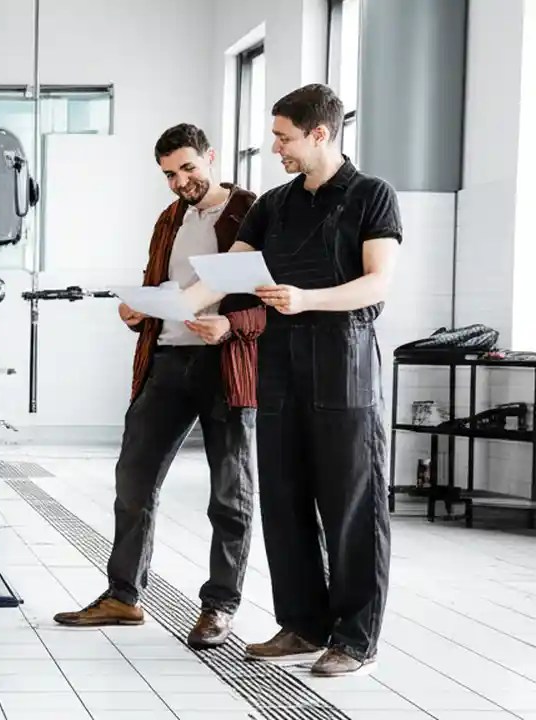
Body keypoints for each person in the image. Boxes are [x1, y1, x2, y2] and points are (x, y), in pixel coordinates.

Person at [181, 84, 400, 676]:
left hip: (343, 362)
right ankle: (302, 625)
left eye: (283, 137)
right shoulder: (274, 203)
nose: (274, 146)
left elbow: (378, 282)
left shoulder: (371, 196)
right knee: (282, 499)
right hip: (278, 364)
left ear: (319, 134)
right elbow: (228, 271)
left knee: (351, 505)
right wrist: (171, 307)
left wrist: (307, 299)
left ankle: (354, 638)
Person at [53, 123, 265, 650]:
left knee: (229, 495)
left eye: (188, 168)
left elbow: (271, 297)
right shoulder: (169, 218)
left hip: (226, 365)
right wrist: (136, 310)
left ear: (211, 158)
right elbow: (160, 287)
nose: (180, 182)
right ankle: (123, 596)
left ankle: (219, 607)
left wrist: (231, 326)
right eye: (169, 174)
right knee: (133, 480)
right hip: (167, 361)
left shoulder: (253, 211)